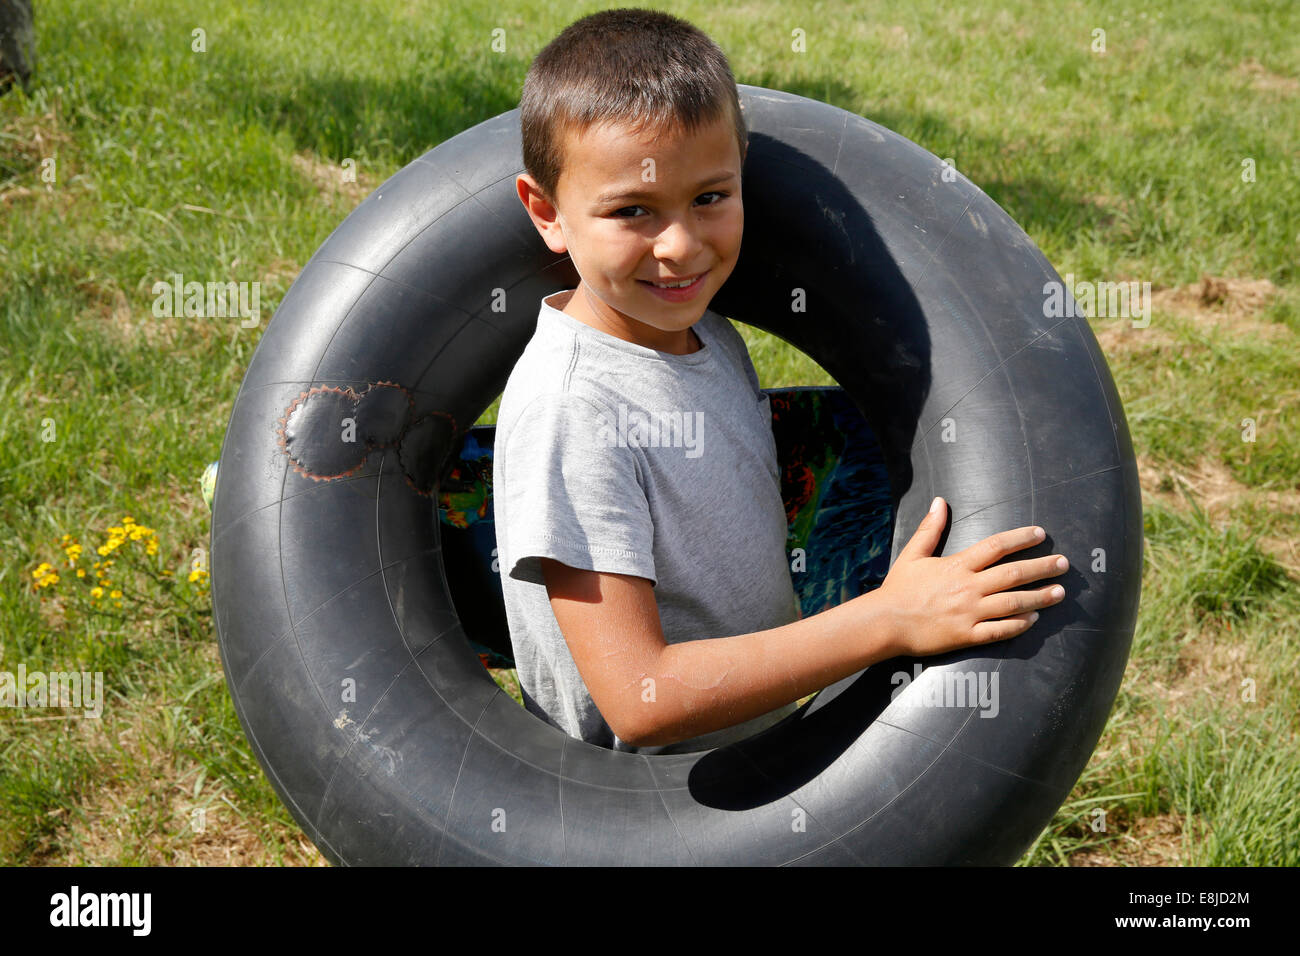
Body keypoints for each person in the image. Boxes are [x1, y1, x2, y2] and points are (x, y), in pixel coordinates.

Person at [495, 8, 1069, 754]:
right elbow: (643, 698)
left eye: (709, 197)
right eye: (631, 211)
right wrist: (888, 619)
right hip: (646, 809)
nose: (680, 246)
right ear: (548, 212)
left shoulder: (706, 334)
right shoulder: (571, 409)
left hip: (757, 755)